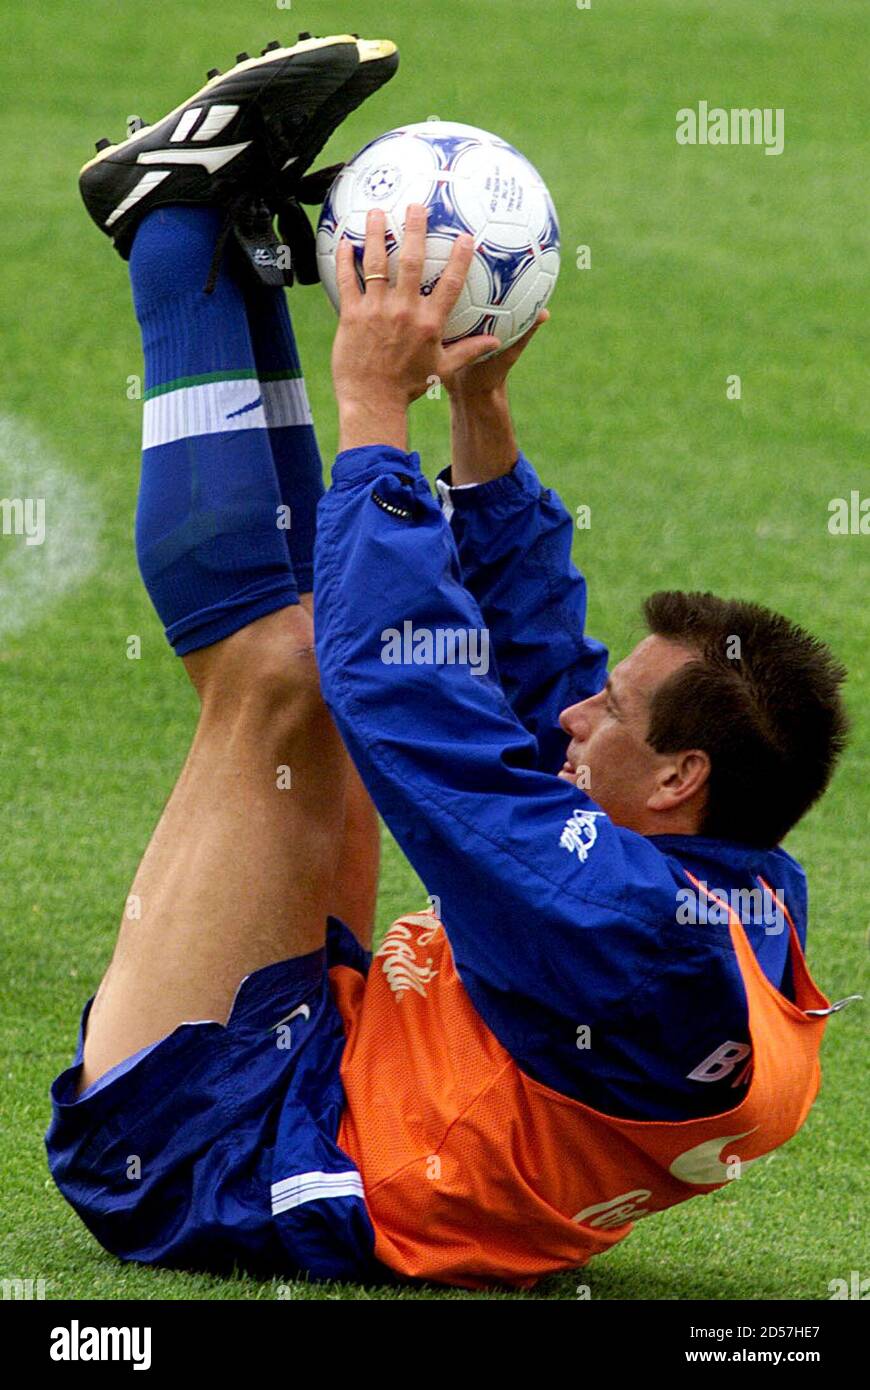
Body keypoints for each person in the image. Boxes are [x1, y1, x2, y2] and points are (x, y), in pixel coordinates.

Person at [47, 34, 852, 1289]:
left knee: (283, 679)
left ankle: (172, 239)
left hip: (209, 1151)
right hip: (341, 1062)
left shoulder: (629, 936)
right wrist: (480, 421)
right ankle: (226, 227)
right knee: (315, 661)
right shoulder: (718, 887)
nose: (584, 707)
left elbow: (406, 693)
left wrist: (375, 409)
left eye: (620, 708)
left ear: (680, 775)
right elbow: (539, 684)